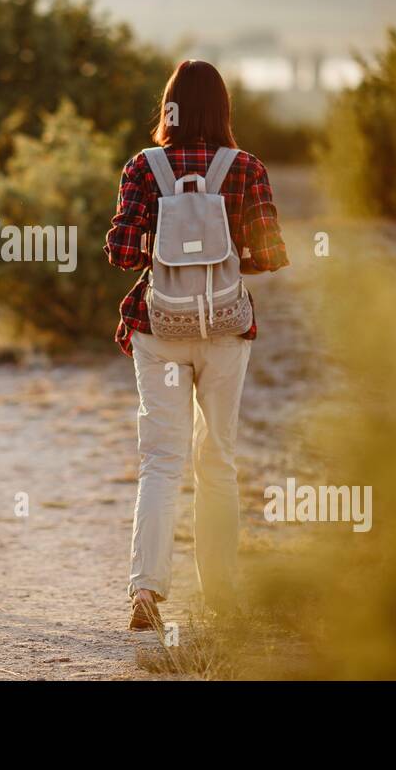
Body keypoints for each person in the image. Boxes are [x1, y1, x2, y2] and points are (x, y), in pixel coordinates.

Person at [104, 60, 289, 630]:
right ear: (223, 109)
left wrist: (170, 251)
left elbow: (122, 254)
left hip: (159, 330)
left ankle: (146, 591)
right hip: (225, 332)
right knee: (219, 462)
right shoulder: (246, 169)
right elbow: (268, 255)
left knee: (161, 459)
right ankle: (223, 596)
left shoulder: (143, 167)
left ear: (169, 108)